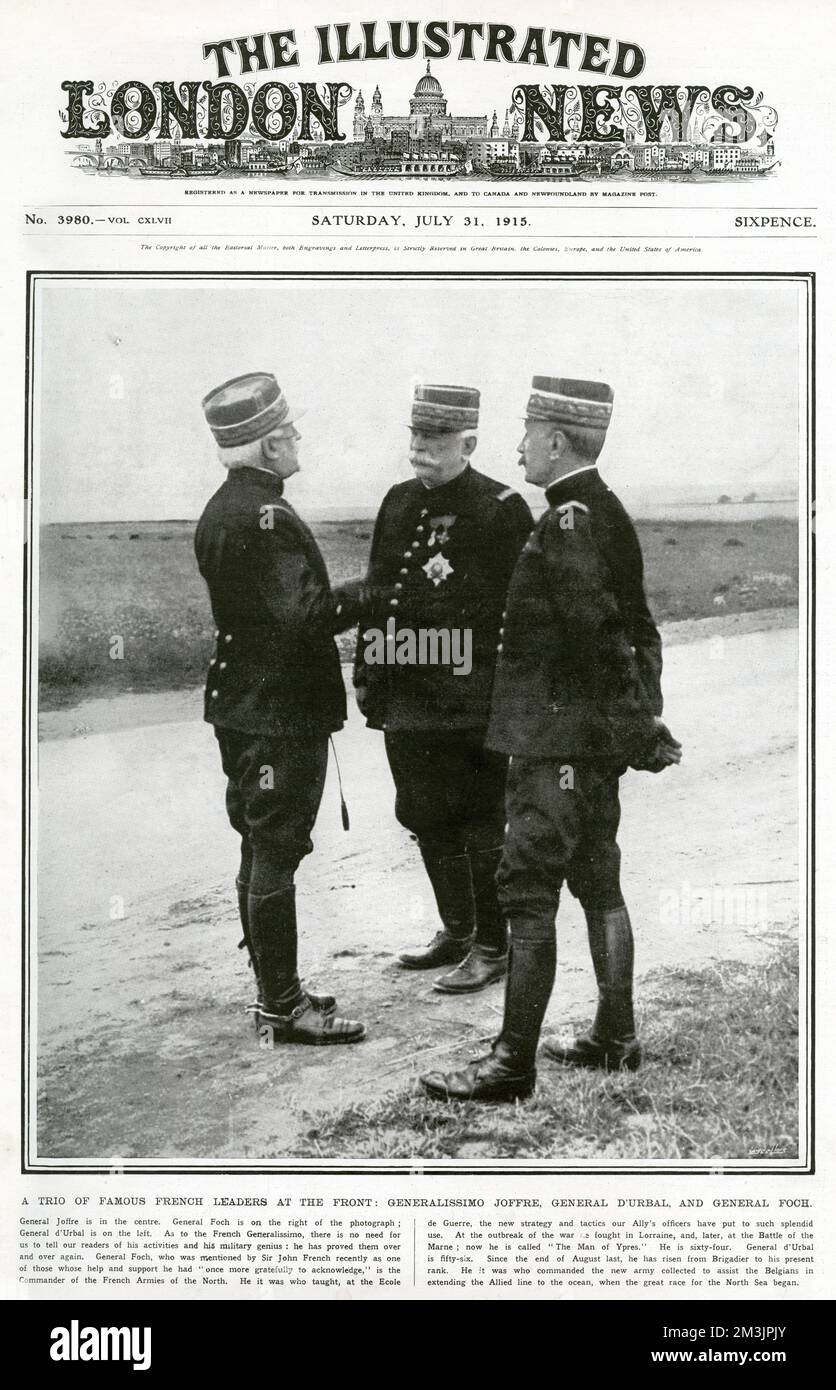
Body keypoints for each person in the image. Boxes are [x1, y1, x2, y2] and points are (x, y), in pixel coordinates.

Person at [421, 375, 681, 1102]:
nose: (519, 446)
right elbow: (640, 632)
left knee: (527, 893)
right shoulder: (606, 512)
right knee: (599, 882)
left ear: (558, 439)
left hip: (554, 749)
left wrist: (631, 729)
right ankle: (616, 1036)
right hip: (588, 746)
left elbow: (599, 637)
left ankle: (510, 1065)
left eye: (528, 433)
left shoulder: (567, 520)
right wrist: (636, 725)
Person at [195, 371, 367, 1046]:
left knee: (257, 841)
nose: (298, 439)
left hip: (239, 705)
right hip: (281, 712)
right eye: (289, 432)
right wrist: (374, 591)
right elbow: (305, 619)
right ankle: (283, 1006)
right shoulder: (267, 516)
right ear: (267, 448)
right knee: (277, 847)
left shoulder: (219, 510)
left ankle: (276, 990)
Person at [355, 384, 533, 993]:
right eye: (415, 436)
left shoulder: (500, 506)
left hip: (469, 699)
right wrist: (370, 675)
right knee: (424, 815)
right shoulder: (398, 500)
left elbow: (521, 612)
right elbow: (381, 593)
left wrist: (508, 699)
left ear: (469, 442)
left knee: (480, 821)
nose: (420, 448)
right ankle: (457, 930)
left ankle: (493, 945)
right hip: (407, 695)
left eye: (434, 439)